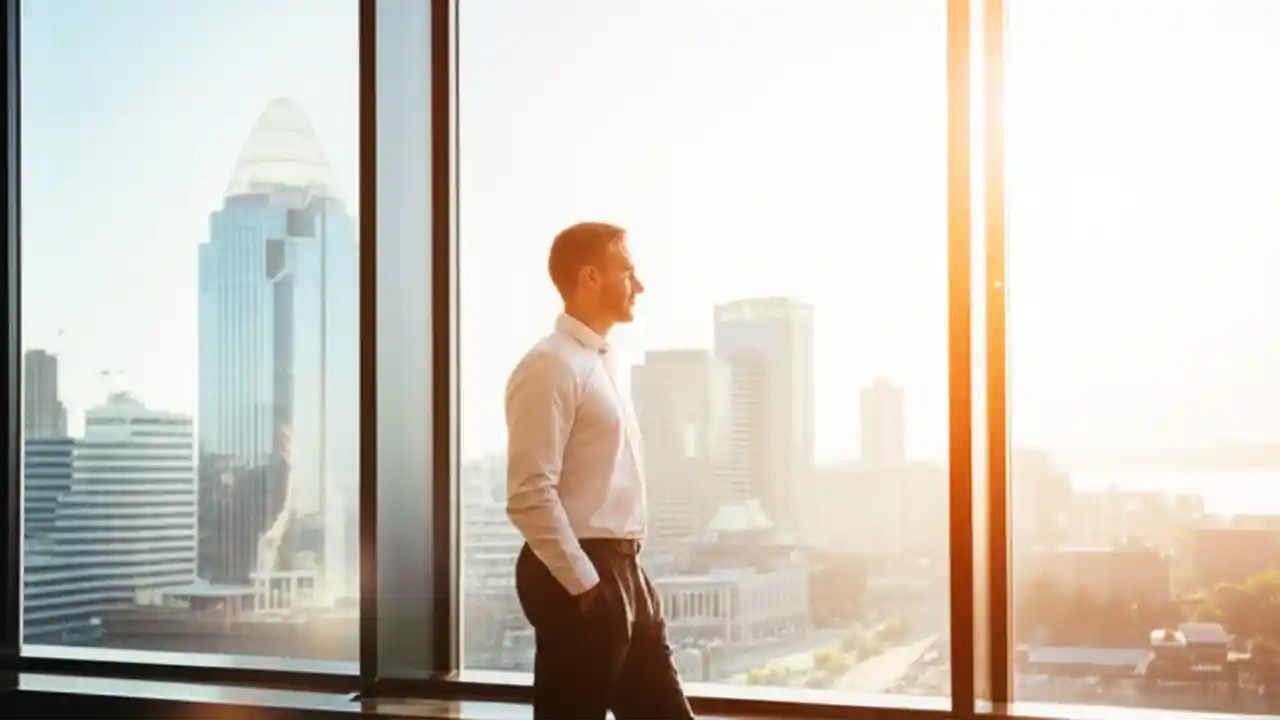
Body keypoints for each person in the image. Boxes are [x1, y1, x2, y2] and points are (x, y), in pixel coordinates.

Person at [505, 221, 695, 719]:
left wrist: (624, 578)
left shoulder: (605, 364)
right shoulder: (549, 365)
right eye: (627, 271)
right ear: (591, 278)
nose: (639, 285)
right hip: (584, 575)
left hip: (624, 570)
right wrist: (586, 585)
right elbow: (528, 493)